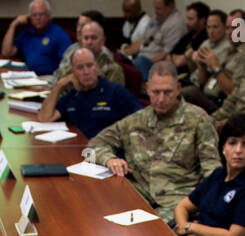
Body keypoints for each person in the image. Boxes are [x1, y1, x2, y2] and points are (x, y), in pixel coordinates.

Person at [85, 61, 218, 220]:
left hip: (177, 201)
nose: (161, 99)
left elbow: (212, 172)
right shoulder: (137, 120)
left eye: (167, 92)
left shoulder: (198, 120)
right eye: (155, 92)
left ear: (178, 89)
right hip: (139, 195)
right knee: (93, 211)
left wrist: (200, 210)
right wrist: (109, 159)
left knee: (153, 235)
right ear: (147, 89)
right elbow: (92, 146)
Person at [37, 47, 140, 138]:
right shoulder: (72, 96)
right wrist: (59, 85)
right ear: (73, 73)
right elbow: (44, 118)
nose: (86, 72)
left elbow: (141, 119)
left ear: (97, 67)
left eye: (89, 65)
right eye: (80, 68)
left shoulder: (115, 91)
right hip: (77, 150)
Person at [181, 8, 236, 112]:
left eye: (215, 27)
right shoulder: (206, 43)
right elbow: (200, 79)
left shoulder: (228, 47)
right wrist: (197, 63)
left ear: (225, 28)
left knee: (184, 93)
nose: (211, 31)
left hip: (215, 97)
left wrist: (209, 63)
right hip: (199, 85)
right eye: (208, 27)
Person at [2, 0, 72, 75]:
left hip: (49, 77)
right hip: (27, 75)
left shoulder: (60, 35)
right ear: (30, 17)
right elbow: (7, 52)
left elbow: (67, 65)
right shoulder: (26, 33)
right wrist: (13, 25)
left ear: (49, 16)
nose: (38, 18)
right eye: (34, 15)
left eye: (41, 14)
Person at [124, 0, 185, 79]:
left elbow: (166, 54)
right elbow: (144, 40)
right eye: (155, 8)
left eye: (159, 9)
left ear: (170, 6)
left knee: (140, 62)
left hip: (156, 65)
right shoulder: (155, 19)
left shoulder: (176, 24)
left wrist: (140, 61)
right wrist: (126, 51)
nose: (155, 11)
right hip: (140, 58)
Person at [52, 19, 124, 84]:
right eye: (86, 38)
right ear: (81, 41)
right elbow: (59, 85)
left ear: (103, 41)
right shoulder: (71, 62)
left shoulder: (112, 68)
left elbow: (113, 96)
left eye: (94, 38)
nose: (89, 42)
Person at [166, 2, 209, 70]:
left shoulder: (204, 37)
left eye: (191, 19)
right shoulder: (189, 35)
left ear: (202, 21)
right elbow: (169, 56)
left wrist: (175, 59)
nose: (187, 22)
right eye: (187, 18)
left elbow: (179, 62)